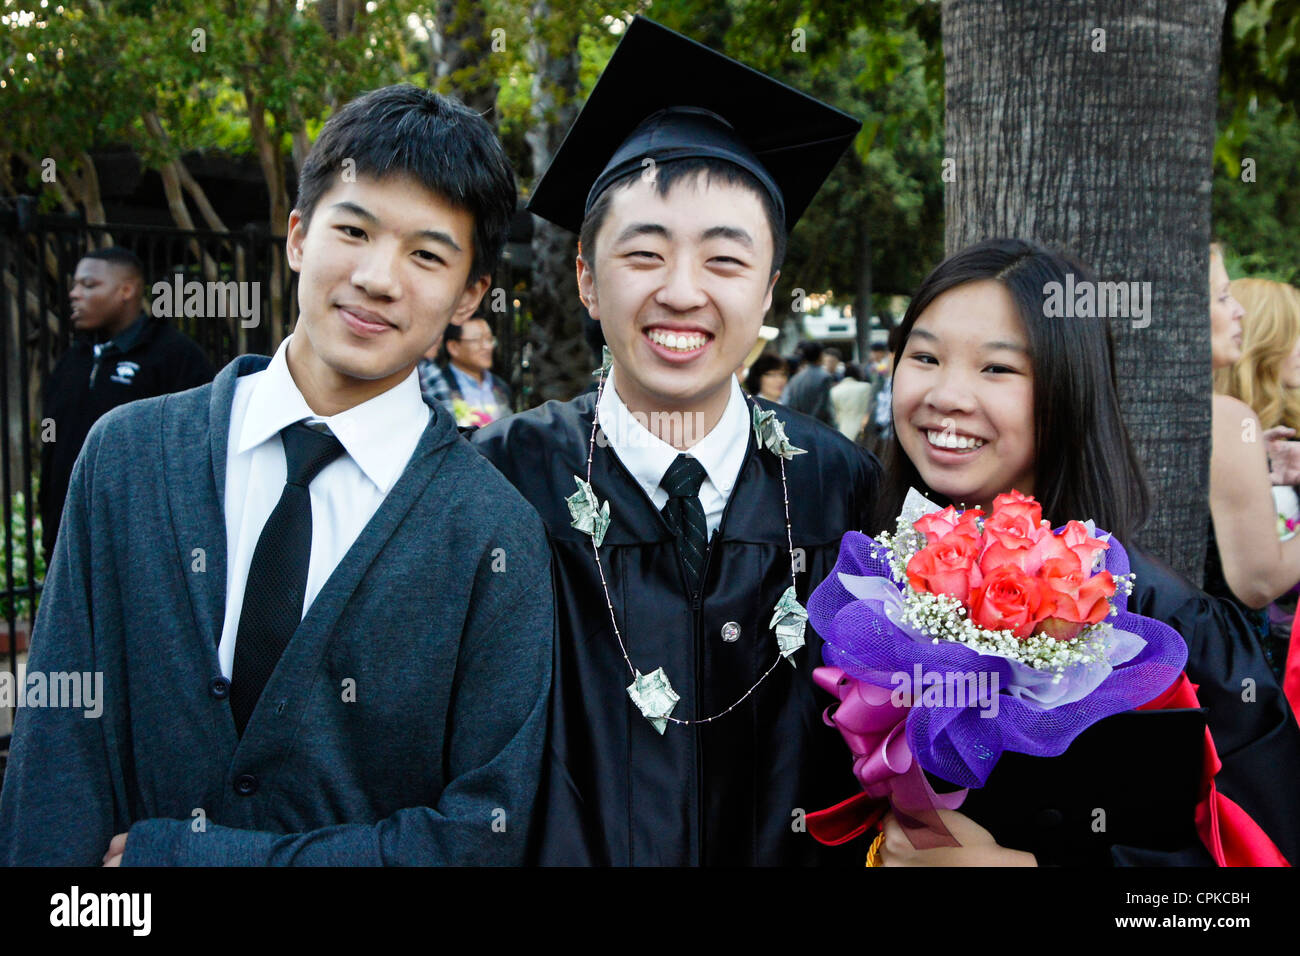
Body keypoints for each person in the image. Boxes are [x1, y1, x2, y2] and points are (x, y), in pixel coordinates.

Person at [0, 84, 553, 866]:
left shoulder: (493, 536)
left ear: (469, 294)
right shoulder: (128, 458)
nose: (378, 278)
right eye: (353, 230)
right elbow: (57, 754)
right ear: (297, 235)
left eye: (427, 254)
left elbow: (478, 835)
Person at [472, 16, 878, 866]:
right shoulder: (505, 478)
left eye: (725, 263)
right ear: (587, 279)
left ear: (768, 292)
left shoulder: (844, 490)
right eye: (644, 254)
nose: (682, 292)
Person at [868, 238, 1300, 865]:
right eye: (925, 357)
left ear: (1069, 391)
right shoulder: (865, 583)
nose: (947, 396)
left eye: (998, 369)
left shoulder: (1163, 625)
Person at [40, 247, 214, 563]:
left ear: (126, 290)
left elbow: (198, 454)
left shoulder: (174, 357)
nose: (74, 294)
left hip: (142, 548)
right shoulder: (71, 362)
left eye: (89, 285)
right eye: (75, 285)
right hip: (68, 540)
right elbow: (51, 445)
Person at [1205, 254, 1300, 681]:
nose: (1238, 307)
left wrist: (1254, 470)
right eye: (1224, 296)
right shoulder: (1227, 416)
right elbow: (1259, 583)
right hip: (1233, 663)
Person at [420, 316, 513, 426]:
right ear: (453, 347)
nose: (488, 347)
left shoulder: (501, 387)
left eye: (489, 339)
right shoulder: (437, 385)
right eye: (477, 340)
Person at [782, 339, 835, 425]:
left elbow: (789, 404)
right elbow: (825, 408)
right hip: (819, 427)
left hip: (799, 424)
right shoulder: (825, 377)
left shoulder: (796, 378)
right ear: (820, 355)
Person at [829, 361, 872, 443]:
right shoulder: (867, 388)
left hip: (842, 431)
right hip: (862, 431)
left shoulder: (834, 390)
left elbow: (834, 414)